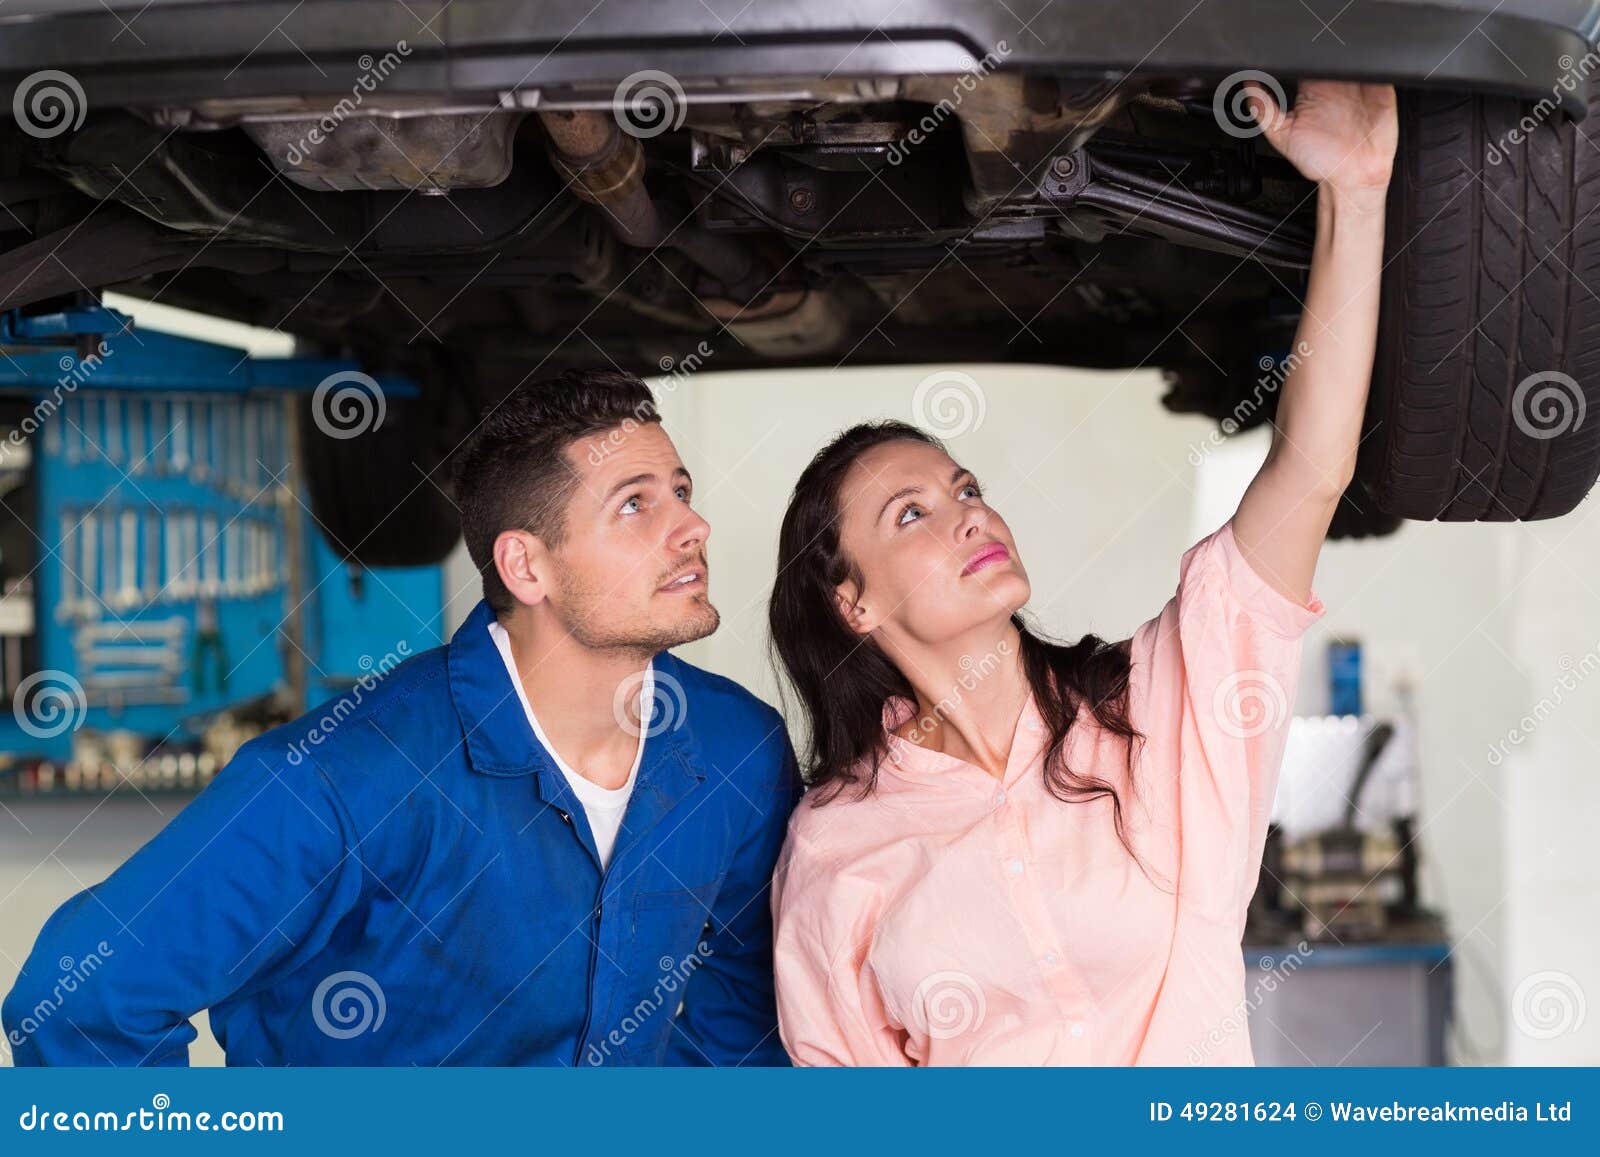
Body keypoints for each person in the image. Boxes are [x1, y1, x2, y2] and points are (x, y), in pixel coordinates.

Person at [766, 79, 1397, 1065]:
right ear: (853, 600)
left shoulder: (1153, 712)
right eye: (912, 513)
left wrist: (1354, 194)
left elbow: (1310, 472)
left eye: (964, 484)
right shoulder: (835, 846)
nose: (967, 510)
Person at [3, 368, 801, 1066]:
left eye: (682, 492)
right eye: (636, 504)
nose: (691, 527)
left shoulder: (739, 751)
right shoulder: (345, 777)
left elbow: (744, 1028)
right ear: (528, 566)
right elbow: (83, 1001)